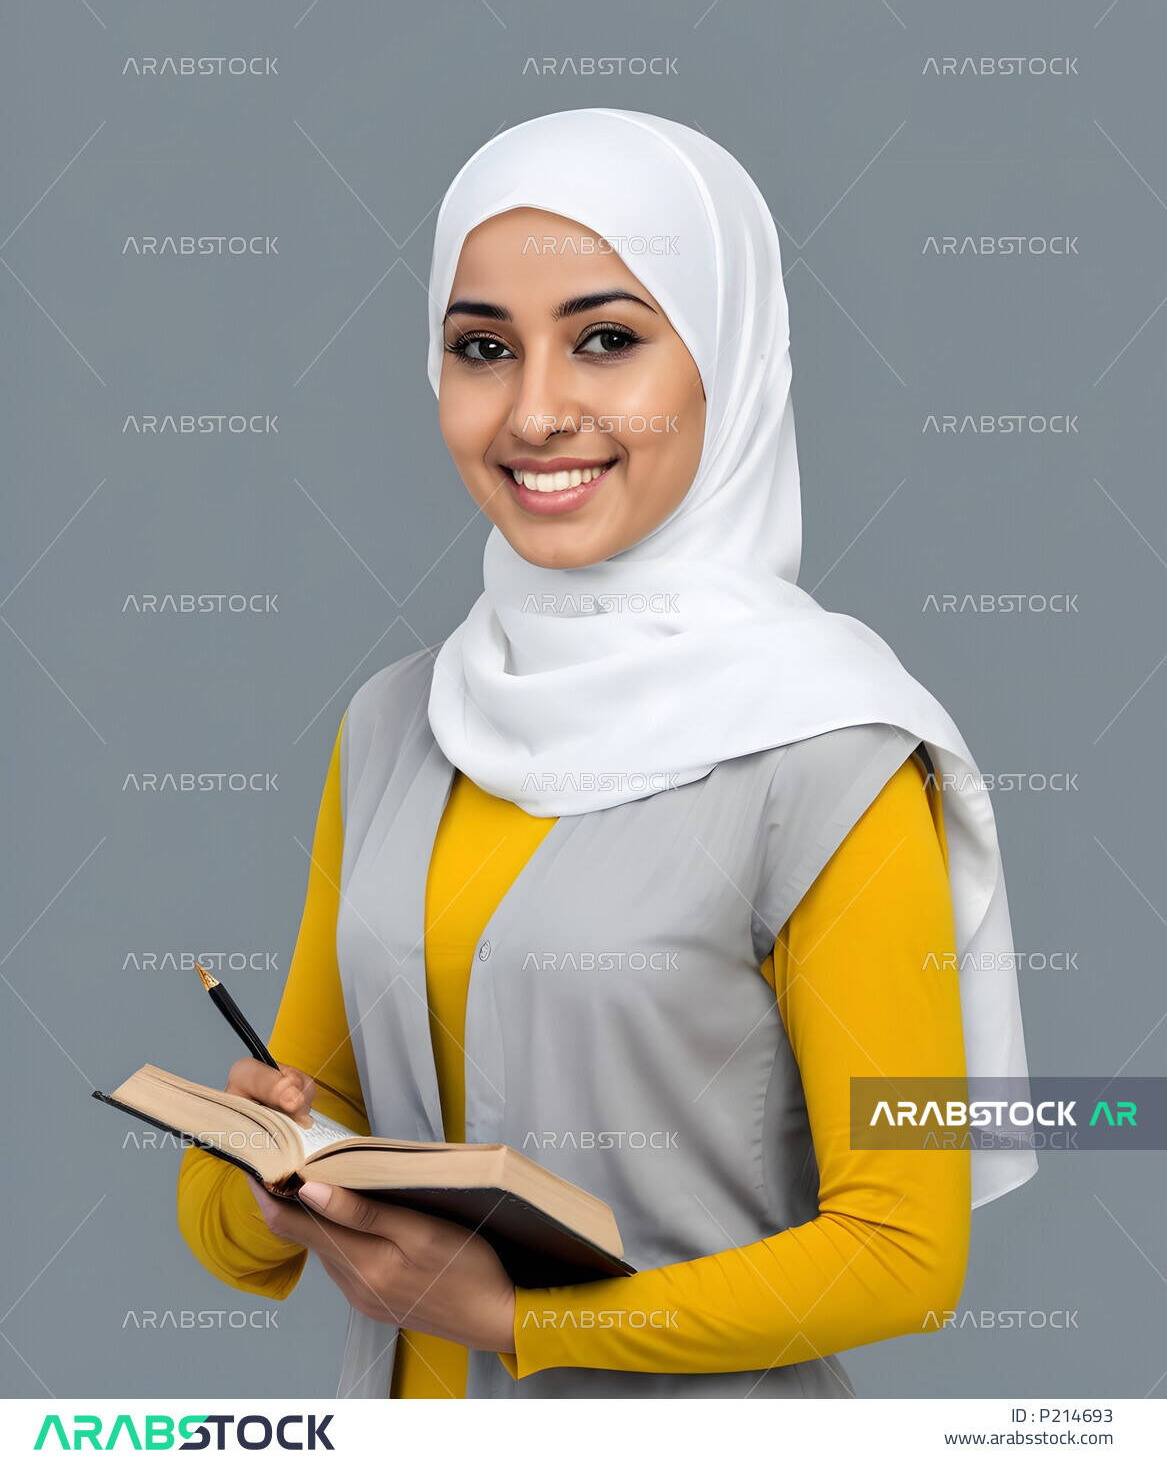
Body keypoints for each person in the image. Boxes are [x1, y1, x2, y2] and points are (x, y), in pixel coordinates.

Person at [177, 108, 1038, 1399]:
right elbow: (238, 1226)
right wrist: (265, 1179)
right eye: (482, 348)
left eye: (606, 340)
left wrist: (531, 1321)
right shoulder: (398, 724)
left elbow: (906, 1254)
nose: (535, 411)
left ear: (729, 363)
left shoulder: (828, 754)